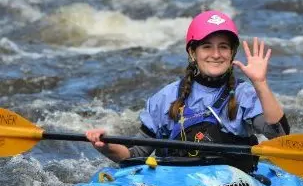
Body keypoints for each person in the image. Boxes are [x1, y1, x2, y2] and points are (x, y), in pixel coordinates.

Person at [86, 10, 290, 172]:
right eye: (207, 47)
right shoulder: (166, 97)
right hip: (178, 183)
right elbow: (136, 153)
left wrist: (260, 82)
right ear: (193, 52)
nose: (216, 54)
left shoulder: (245, 94)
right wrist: (106, 146)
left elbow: (279, 136)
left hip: (229, 182)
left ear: (232, 53)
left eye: (223, 47)